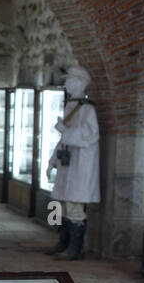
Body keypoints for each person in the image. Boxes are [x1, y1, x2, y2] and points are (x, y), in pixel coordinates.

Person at [42, 66, 100, 260]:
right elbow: (63, 140)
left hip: (80, 168)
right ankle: (64, 242)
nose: (66, 84)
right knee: (64, 206)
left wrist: (64, 131)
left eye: (70, 80)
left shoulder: (87, 109)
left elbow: (90, 136)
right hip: (68, 166)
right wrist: (52, 161)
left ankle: (75, 249)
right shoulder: (72, 107)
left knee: (75, 207)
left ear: (80, 82)